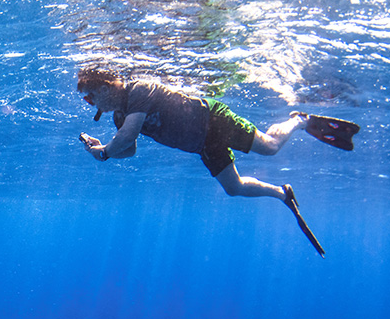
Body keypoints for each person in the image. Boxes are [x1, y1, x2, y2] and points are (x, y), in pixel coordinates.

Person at [76, 67, 346, 257]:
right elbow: (129, 150)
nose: (90, 104)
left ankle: (299, 120)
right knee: (234, 188)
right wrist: (99, 151)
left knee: (271, 147)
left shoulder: (139, 90)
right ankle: (282, 193)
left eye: (89, 98)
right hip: (202, 144)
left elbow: (127, 137)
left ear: (104, 88)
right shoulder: (120, 116)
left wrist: (105, 153)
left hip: (214, 121)